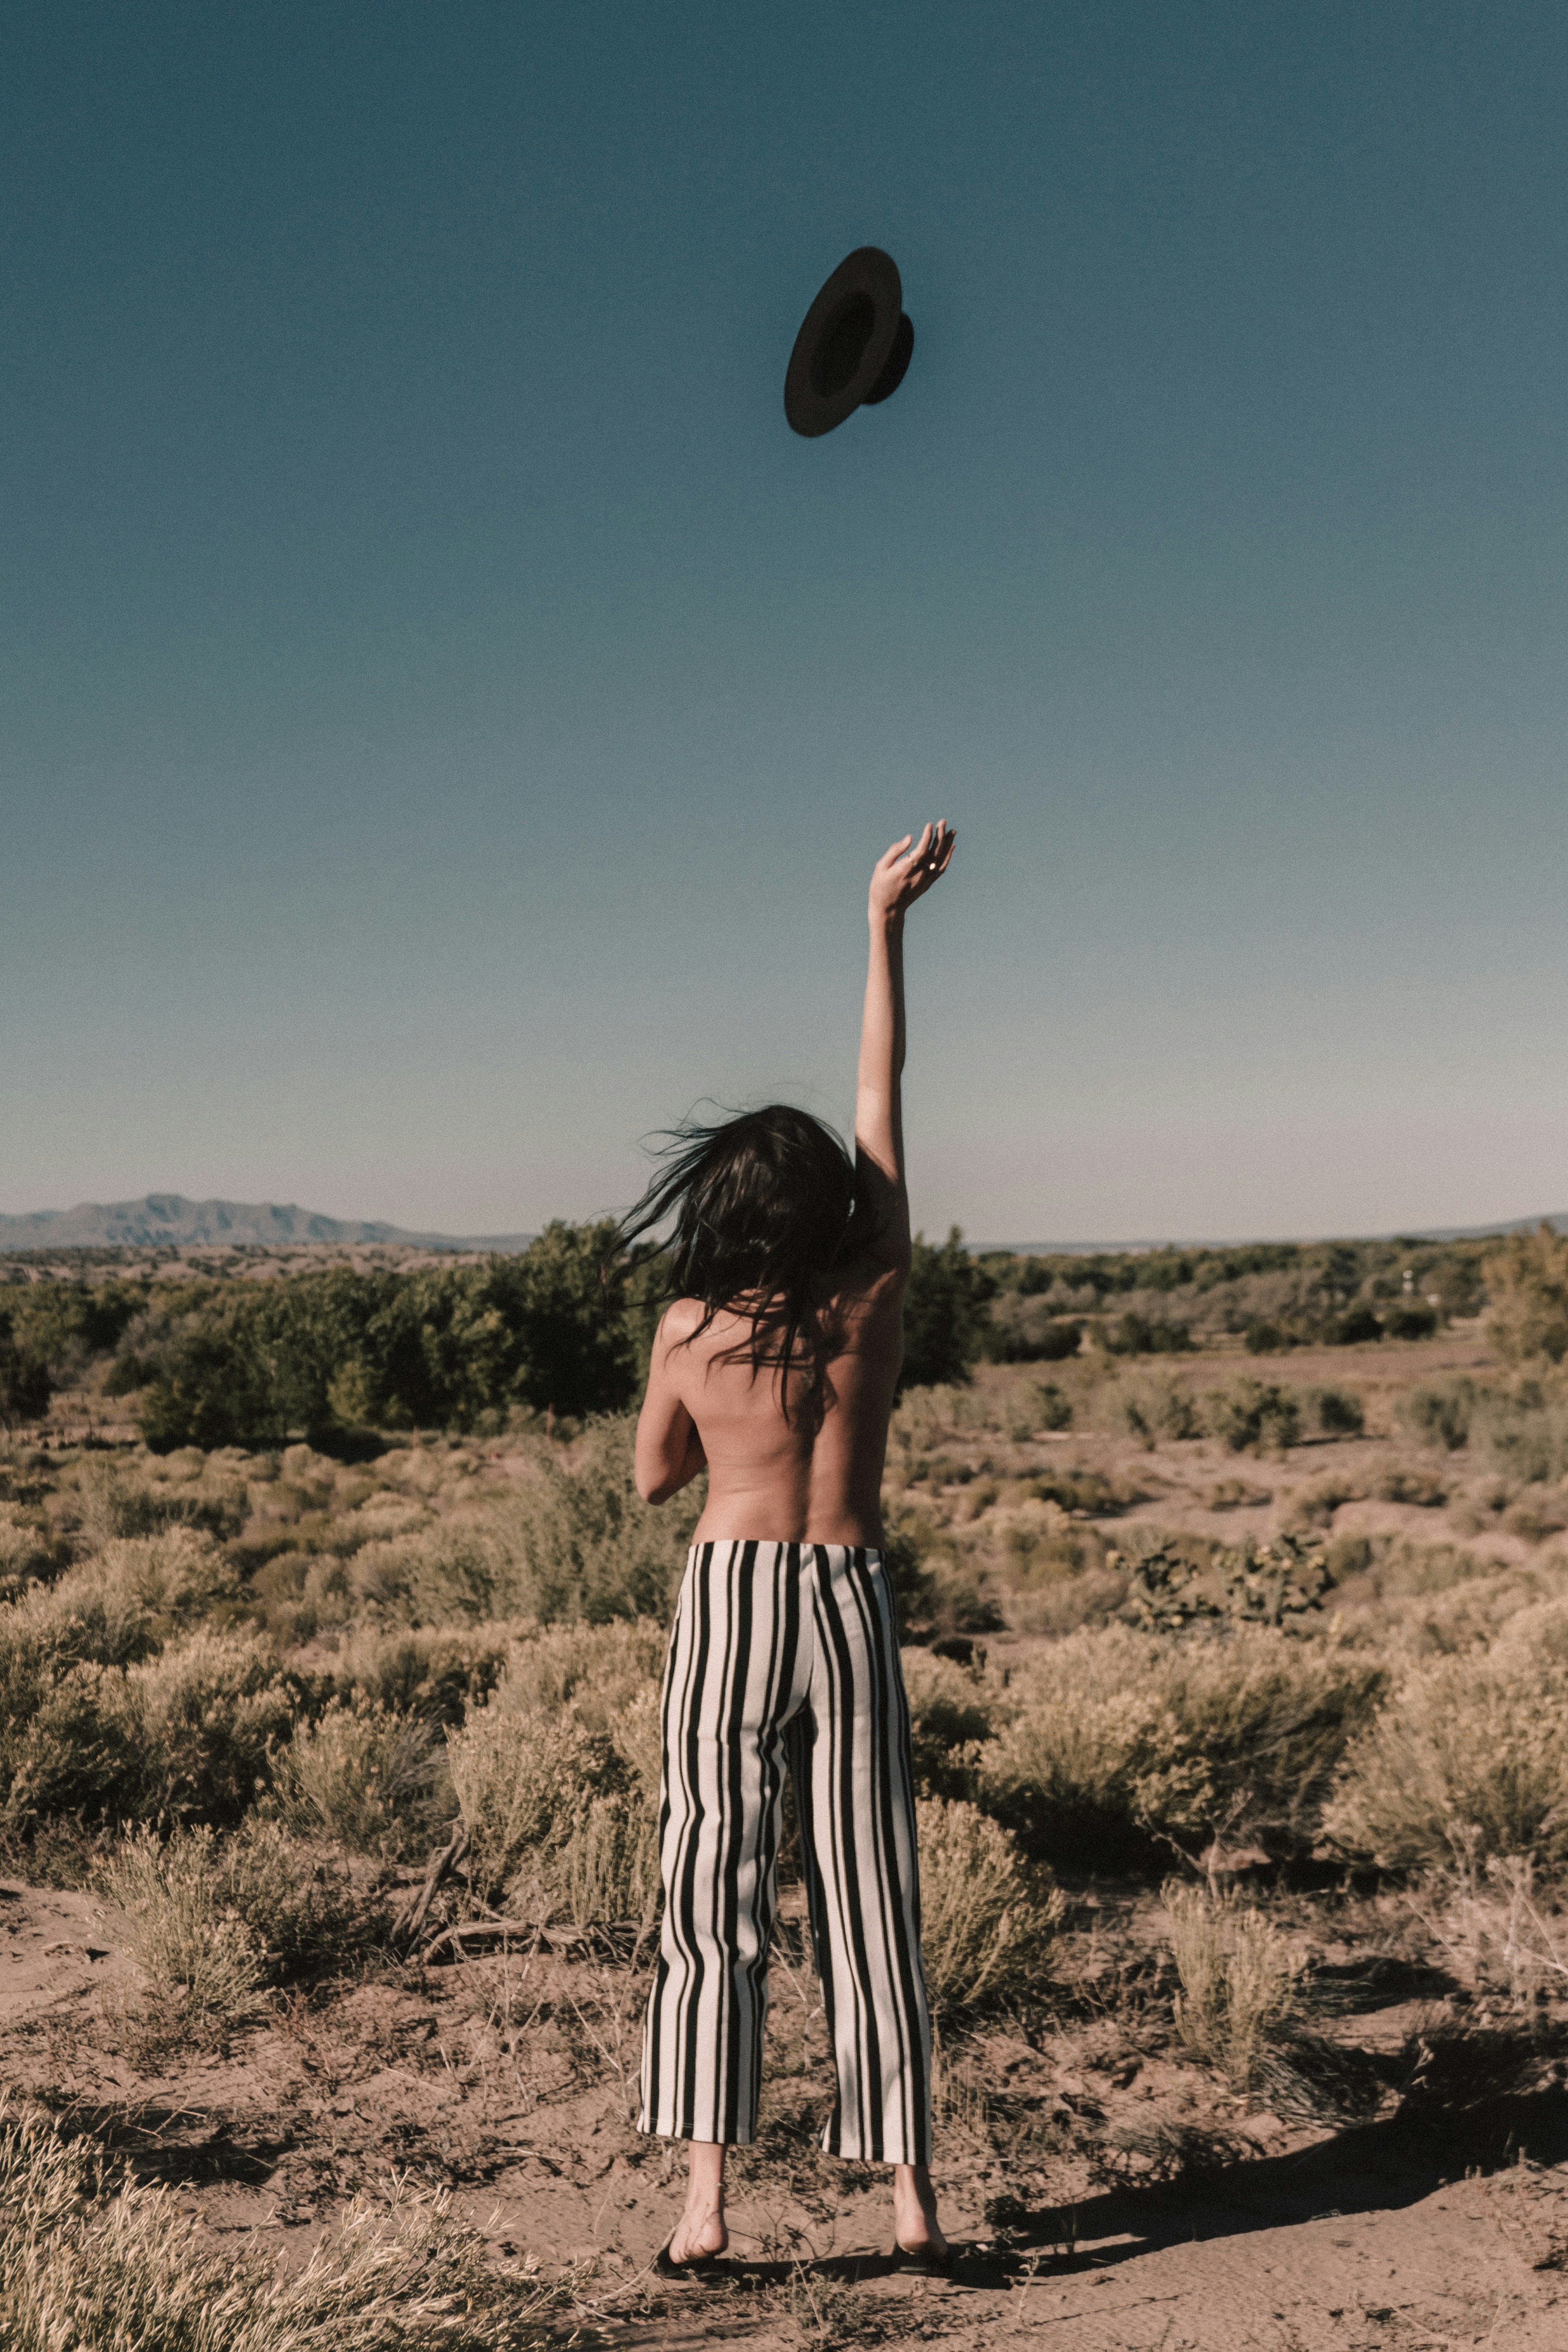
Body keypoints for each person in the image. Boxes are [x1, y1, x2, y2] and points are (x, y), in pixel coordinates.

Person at [622, 820, 958, 2277]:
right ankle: (912, 2204)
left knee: (717, 1886)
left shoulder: (691, 1331)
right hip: (852, 1592)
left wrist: (706, 1416)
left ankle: (704, 2210)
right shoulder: (874, 1291)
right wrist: (882, 925)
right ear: (821, 1202)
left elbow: (650, 1483)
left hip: (737, 1590)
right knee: (871, 1886)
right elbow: (886, 1091)